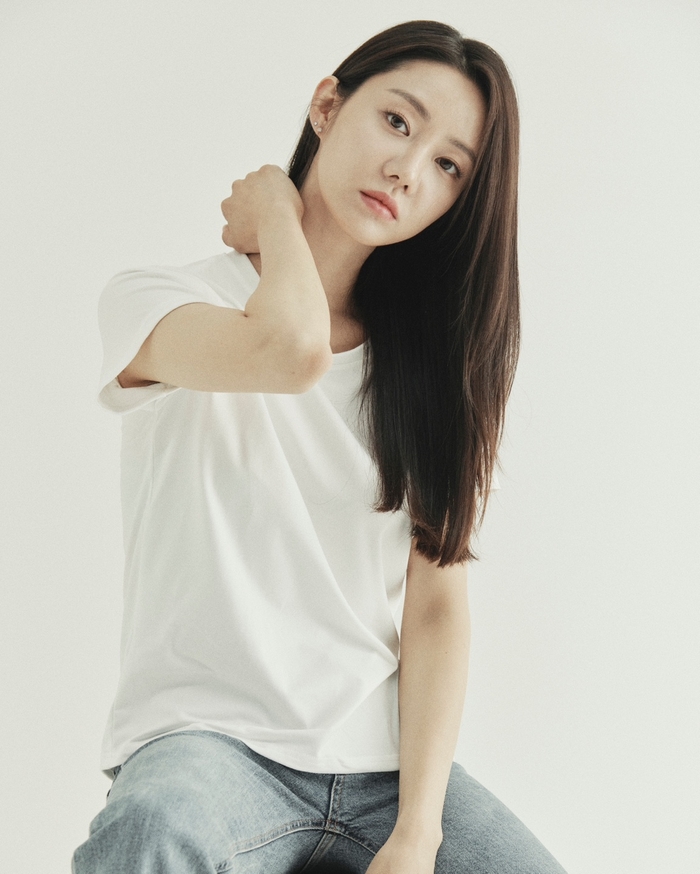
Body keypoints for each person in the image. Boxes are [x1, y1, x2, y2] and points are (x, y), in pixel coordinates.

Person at [72, 19, 566, 874]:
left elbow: (437, 605)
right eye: (398, 122)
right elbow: (290, 352)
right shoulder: (161, 300)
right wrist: (277, 208)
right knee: (150, 831)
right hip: (210, 750)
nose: (408, 170)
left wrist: (418, 831)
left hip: (381, 772)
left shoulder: (427, 372)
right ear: (328, 107)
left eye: (449, 166)